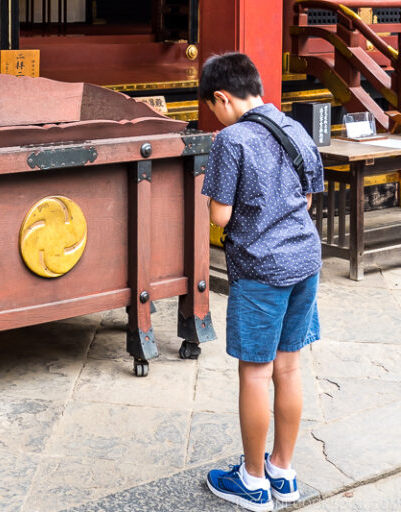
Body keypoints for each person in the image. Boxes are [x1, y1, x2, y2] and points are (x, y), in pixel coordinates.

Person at [198, 52, 323, 512]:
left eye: (213, 107)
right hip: (305, 260)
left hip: (261, 269)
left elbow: (220, 215)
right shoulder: (294, 127)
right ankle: (282, 473)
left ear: (222, 97)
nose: (215, 115)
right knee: (289, 369)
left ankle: (251, 482)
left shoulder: (231, 140)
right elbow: (307, 199)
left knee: (255, 372)